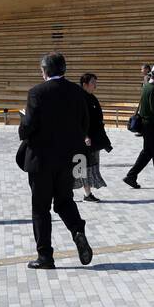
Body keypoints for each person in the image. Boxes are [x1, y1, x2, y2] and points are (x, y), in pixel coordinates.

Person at [19, 52, 93, 270]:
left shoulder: (36, 92)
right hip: (68, 159)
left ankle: (45, 257)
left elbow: (29, 126)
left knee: (40, 208)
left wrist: (22, 127)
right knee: (64, 201)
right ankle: (77, 231)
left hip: (41, 159)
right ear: (64, 69)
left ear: (44, 71)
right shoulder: (77, 92)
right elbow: (84, 124)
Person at [77, 73, 110, 202]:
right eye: (93, 83)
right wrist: (84, 136)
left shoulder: (91, 97)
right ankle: (86, 193)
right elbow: (78, 120)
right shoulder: (80, 99)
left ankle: (86, 193)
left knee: (90, 165)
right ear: (85, 84)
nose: (95, 85)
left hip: (94, 139)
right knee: (83, 166)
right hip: (84, 140)